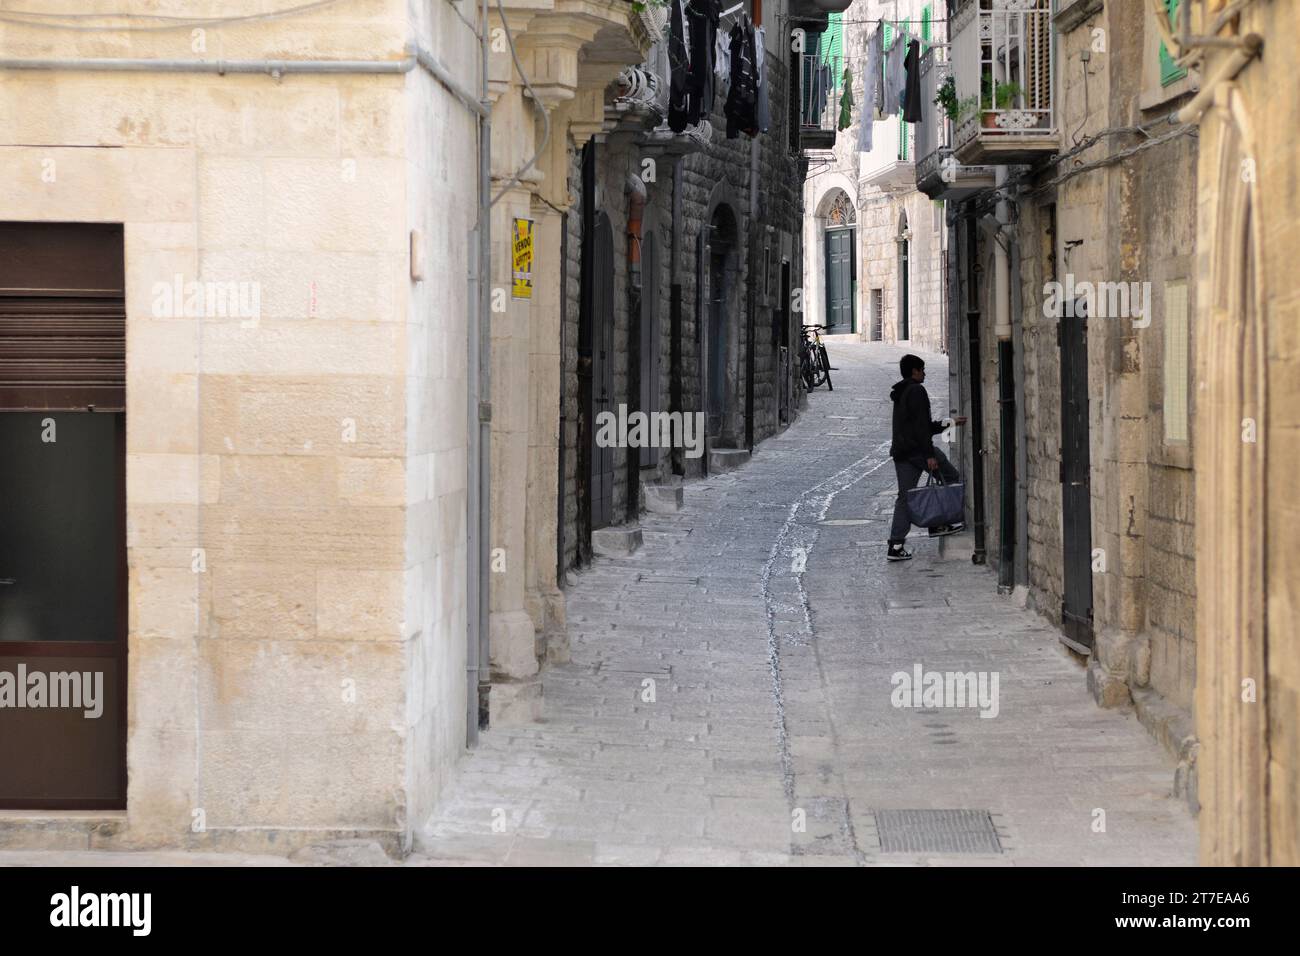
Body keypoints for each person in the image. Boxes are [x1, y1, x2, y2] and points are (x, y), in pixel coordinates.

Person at [887, 354, 966, 562]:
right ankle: (941, 523)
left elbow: (921, 424)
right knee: (951, 478)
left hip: (902, 453)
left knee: (904, 497)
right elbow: (923, 427)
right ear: (914, 371)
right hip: (919, 451)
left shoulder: (902, 392)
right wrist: (929, 455)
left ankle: (895, 545)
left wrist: (950, 423)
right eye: (922, 369)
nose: (924, 373)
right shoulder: (916, 391)